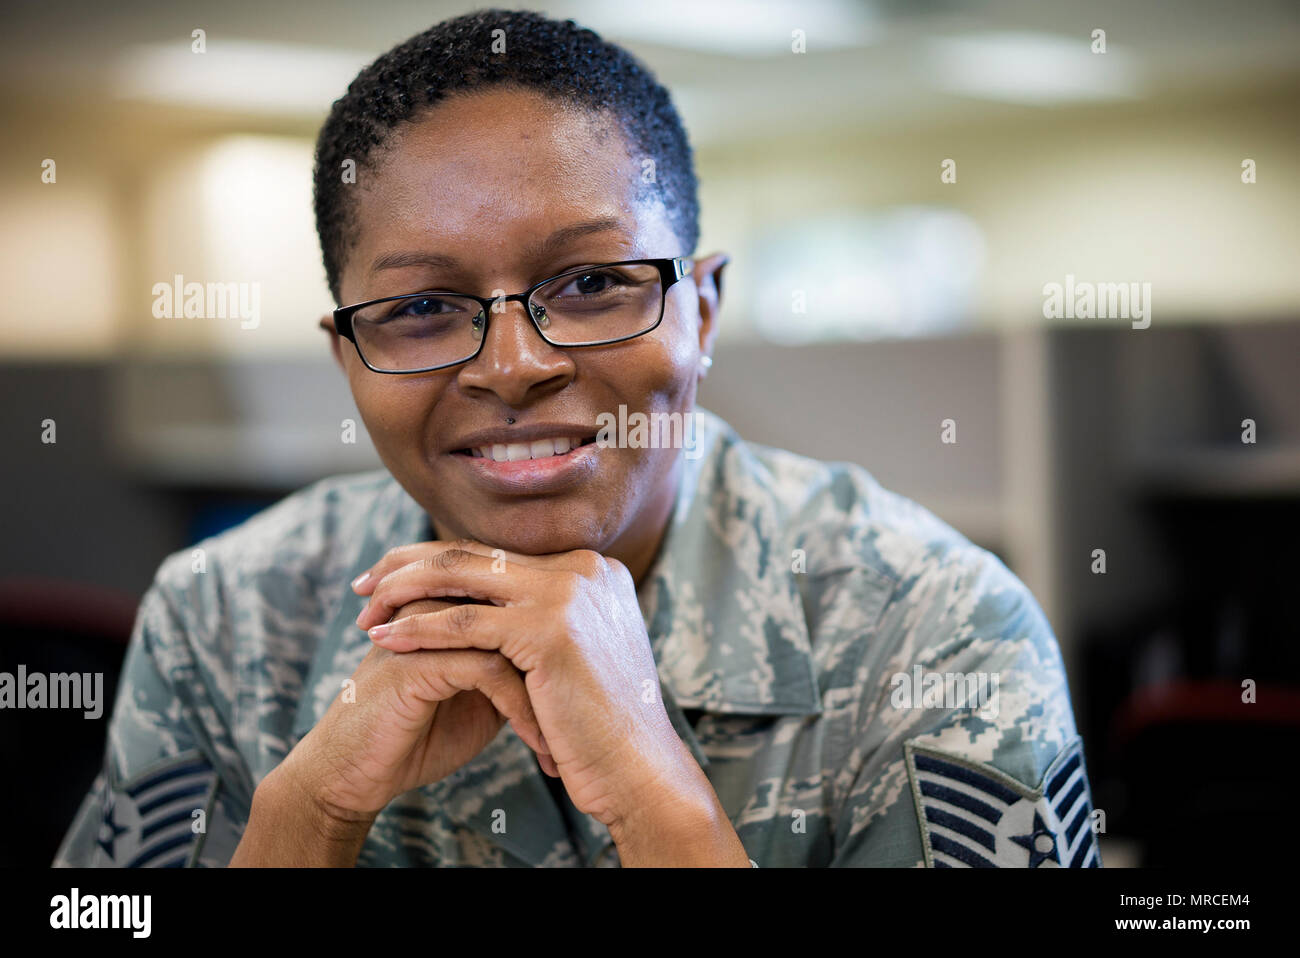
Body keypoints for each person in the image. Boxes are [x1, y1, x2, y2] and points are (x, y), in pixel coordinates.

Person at [54, 8, 1100, 868]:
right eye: (421, 307)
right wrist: (312, 815)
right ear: (347, 360)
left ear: (701, 312)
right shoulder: (222, 618)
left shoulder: (932, 628)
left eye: (593, 282)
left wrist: (657, 799)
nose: (511, 366)